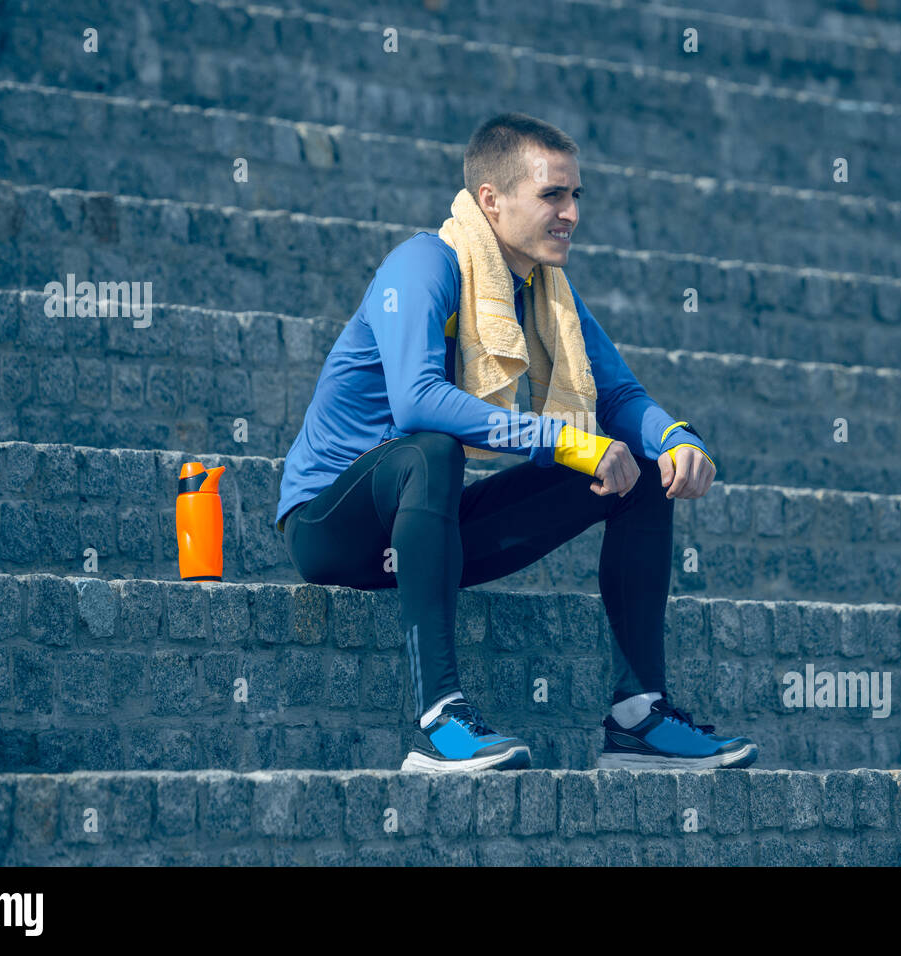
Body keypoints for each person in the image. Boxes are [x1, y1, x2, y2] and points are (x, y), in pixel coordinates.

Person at [276, 112, 757, 772]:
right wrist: (566, 442)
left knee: (643, 468)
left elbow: (618, 395)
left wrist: (675, 438)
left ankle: (638, 716)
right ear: (492, 200)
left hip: (431, 535)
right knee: (432, 448)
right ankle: (439, 721)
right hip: (334, 528)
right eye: (552, 195)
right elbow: (416, 401)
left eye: (576, 195)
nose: (572, 214)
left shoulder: (544, 291)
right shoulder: (421, 265)